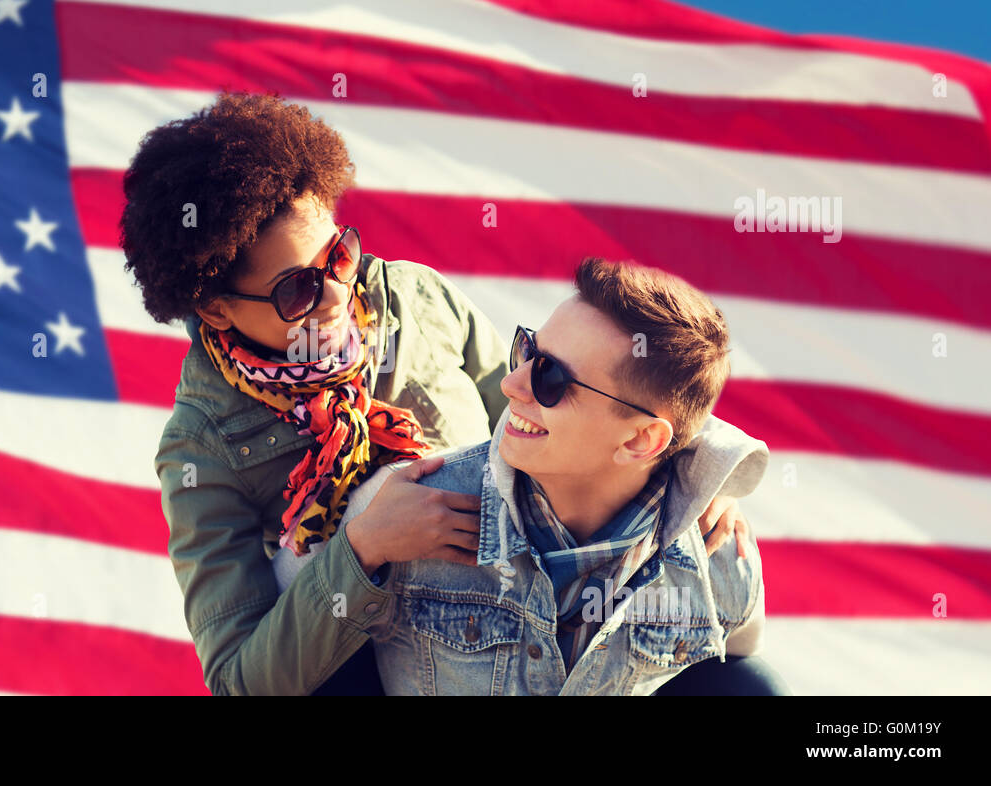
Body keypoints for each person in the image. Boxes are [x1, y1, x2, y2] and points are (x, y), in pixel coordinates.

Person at [124, 91, 758, 696]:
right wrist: (363, 550)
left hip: (523, 624)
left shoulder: (417, 300)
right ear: (214, 308)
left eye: (339, 256)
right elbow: (240, 679)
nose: (341, 296)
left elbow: (564, 410)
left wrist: (692, 476)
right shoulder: (201, 446)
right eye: (298, 290)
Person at [278, 258, 790, 695]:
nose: (511, 383)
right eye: (527, 350)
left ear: (640, 441)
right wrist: (361, 549)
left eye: (550, 377)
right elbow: (277, 662)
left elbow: (735, 673)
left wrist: (709, 481)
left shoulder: (719, 556)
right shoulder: (406, 512)